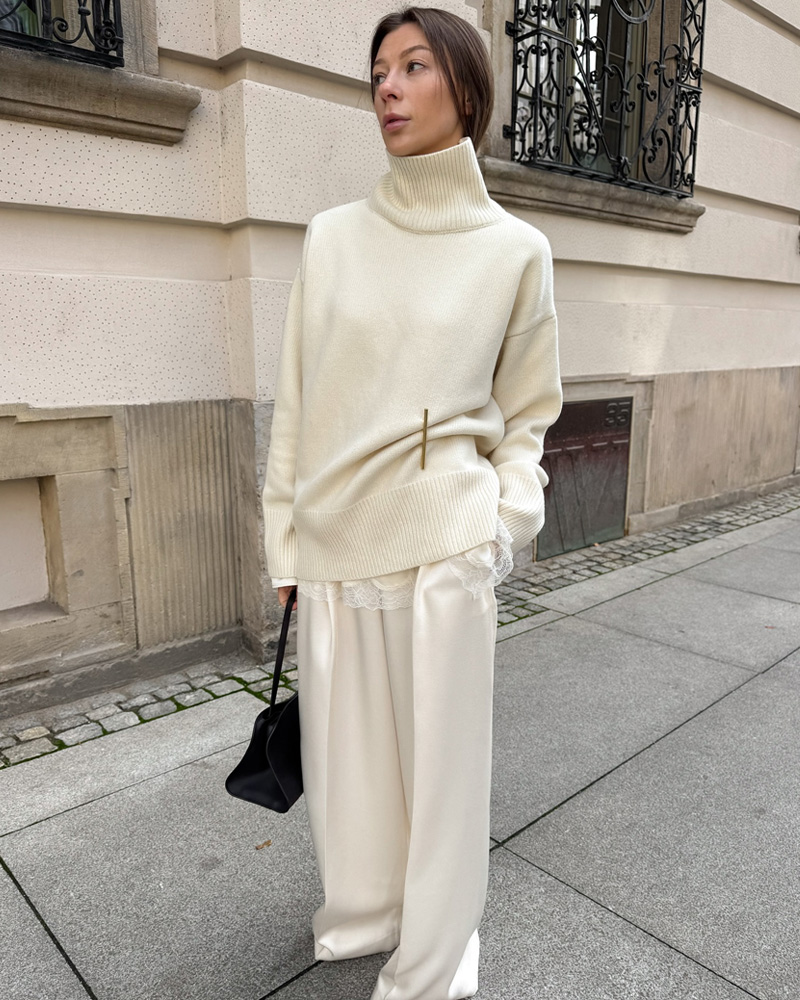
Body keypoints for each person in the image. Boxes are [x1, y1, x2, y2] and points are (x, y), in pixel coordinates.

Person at [262, 7, 562, 998]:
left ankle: (434, 957)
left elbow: (529, 413)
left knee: (442, 780)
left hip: (447, 542)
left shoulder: (515, 250)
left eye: (413, 65)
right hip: (336, 535)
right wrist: (284, 543)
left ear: (465, 89)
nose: (386, 87)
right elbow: (299, 400)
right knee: (349, 769)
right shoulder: (332, 237)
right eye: (378, 71)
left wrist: (501, 526)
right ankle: (368, 914)